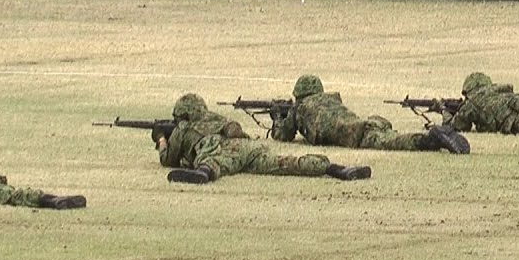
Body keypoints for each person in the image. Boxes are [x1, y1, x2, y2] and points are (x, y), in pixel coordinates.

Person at [158, 93, 370, 184]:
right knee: (286, 163)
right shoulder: (217, 117)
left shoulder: (184, 127)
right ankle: (336, 169)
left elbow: (168, 159)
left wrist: (161, 140)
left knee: (212, 162)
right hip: (248, 148)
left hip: (221, 151)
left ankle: (203, 174)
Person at [272, 75, 470, 154]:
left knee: (396, 143)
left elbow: (283, 135)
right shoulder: (330, 100)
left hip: (356, 134)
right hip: (364, 124)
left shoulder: (300, 108)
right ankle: (435, 139)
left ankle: (432, 140)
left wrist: (278, 118)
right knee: (393, 138)